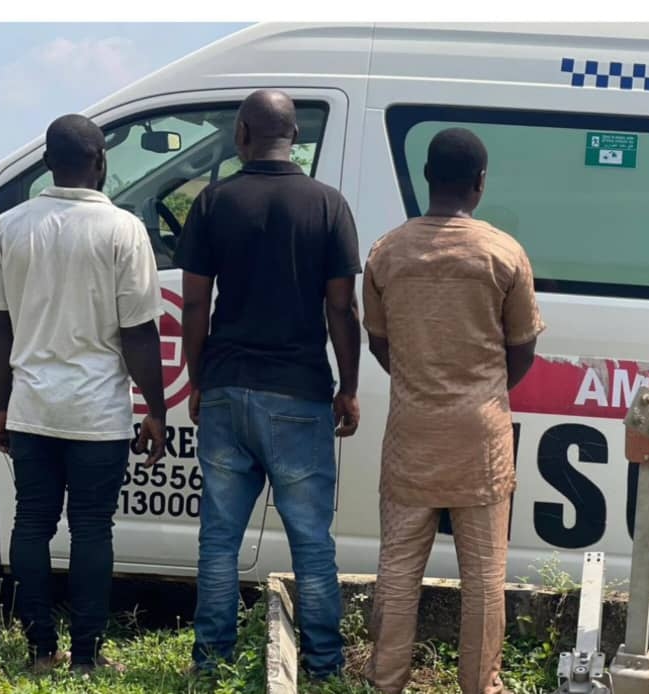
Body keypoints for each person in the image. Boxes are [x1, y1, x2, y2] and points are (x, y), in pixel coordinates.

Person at [175, 89, 362, 679]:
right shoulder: (328, 205)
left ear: (241, 134)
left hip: (228, 387)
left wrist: (197, 378)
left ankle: (210, 663)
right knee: (311, 541)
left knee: (219, 540)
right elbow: (341, 309)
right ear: (296, 139)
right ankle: (326, 666)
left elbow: (196, 303)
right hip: (299, 392)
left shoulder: (212, 202)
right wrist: (348, 387)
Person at [0, 114, 167, 675]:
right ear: (101, 161)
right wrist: (155, 410)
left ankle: (41, 650)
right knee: (92, 529)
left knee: (32, 524)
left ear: (47, 162)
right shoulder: (124, 230)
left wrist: (2, 405)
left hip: (33, 408)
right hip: (96, 414)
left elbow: (0, 329)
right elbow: (139, 333)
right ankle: (85, 657)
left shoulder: (7, 228)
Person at [362, 128, 545, 694]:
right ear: (480, 183)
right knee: (485, 577)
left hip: (412, 433)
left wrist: (422, 379)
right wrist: (481, 387)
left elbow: (378, 342)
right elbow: (522, 350)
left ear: (426, 178)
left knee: (397, 568)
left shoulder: (387, 251)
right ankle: (480, 685)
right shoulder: (503, 253)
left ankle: (386, 680)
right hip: (481, 436)